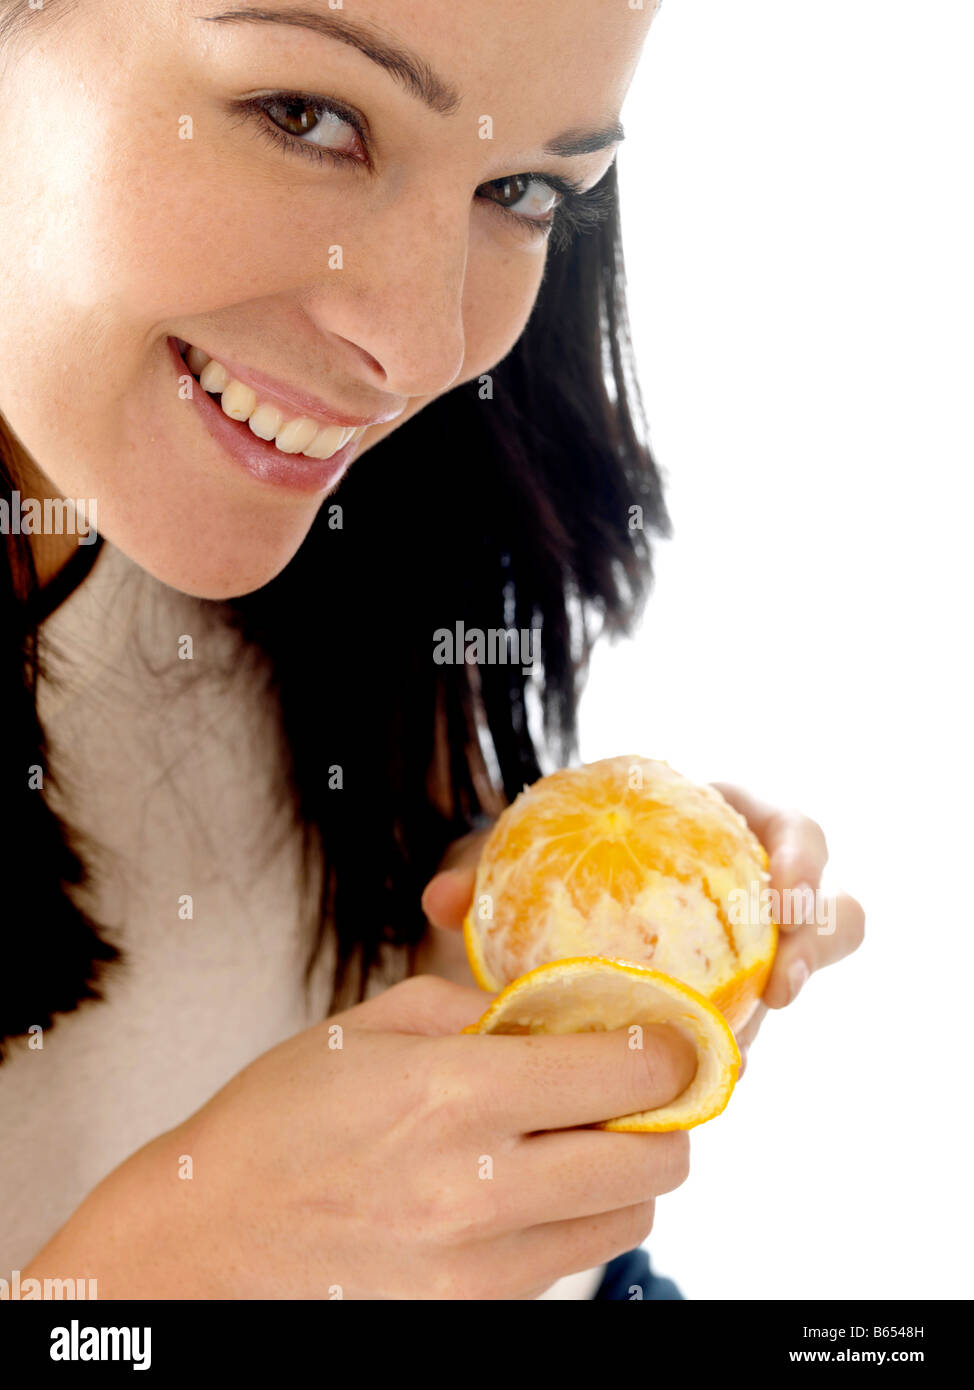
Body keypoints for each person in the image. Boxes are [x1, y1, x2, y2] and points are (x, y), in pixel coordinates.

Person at [0, 0, 864, 1300]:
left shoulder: (354, 530)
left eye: (521, 189)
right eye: (308, 118)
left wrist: (495, 968)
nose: (421, 347)